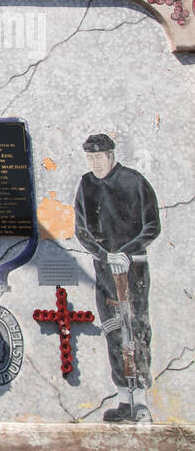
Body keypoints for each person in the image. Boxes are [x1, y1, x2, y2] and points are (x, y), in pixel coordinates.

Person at [73, 134, 161, 423]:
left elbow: (152, 226)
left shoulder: (134, 181)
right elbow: (82, 230)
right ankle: (124, 401)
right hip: (104, 269)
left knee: (135, 330)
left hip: (133, 269)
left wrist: (124, 251)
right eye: (90, 157)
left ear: (110, 155)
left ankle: (142, 401)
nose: (95, 163)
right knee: (113, 330)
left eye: (99, 156)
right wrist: (104, 253)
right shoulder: (86, 184)